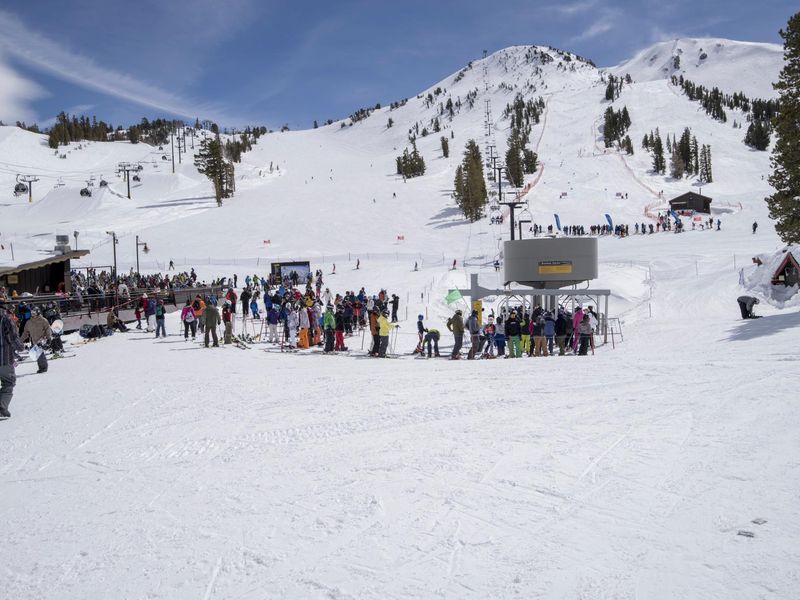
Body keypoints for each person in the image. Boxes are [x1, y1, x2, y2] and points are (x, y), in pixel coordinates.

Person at [0, 299, 24, 419]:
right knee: (8, 382)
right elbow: (12, 338)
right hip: (3, 358)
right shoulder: (6, 319)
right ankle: (1, 407)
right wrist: (20, 347)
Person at [21, 309, 52, 374]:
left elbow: (48, 329)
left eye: (34, 312)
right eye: (32, 313)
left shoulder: (43, 320)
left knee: (40, 354)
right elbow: (25, 332)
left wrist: (49, 338)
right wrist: (20, 340)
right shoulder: (29, 322)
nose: (33, 314)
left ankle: (43, 368)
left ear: (38, 312)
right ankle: (41, 367)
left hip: (42, 339)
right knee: (37, 355)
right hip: (34, 340)